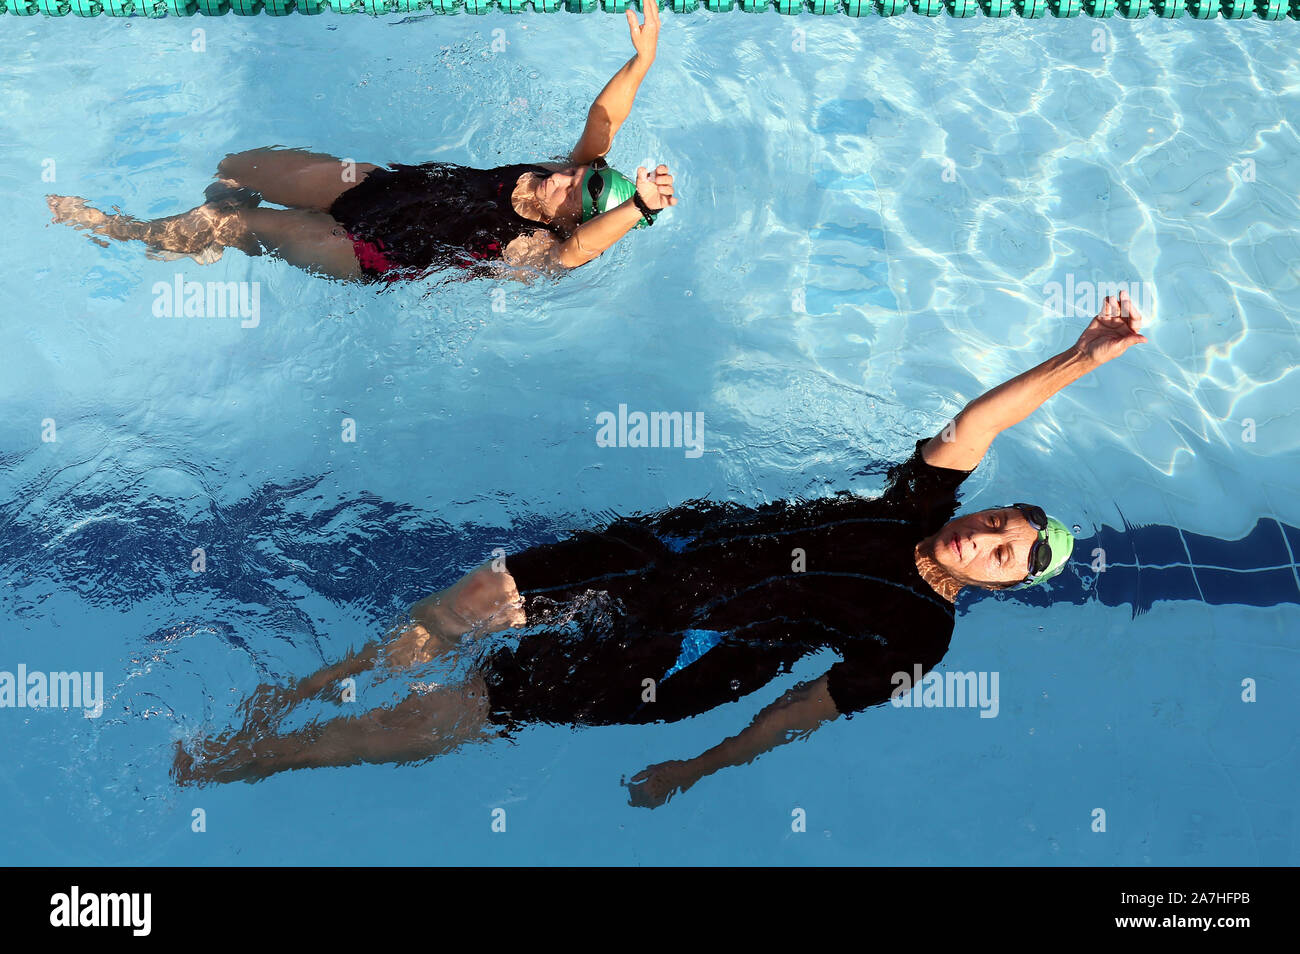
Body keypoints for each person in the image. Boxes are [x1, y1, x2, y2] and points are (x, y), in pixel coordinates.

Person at [171, 292, 1147, 805]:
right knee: (456, 606)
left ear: (1004, 583)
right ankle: (311, 685)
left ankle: (261, 759)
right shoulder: (910, 504)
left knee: (461, 707)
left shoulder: (919, 637)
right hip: (652, 554)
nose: (985, 536)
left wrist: (699, 766)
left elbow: (801, 706)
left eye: (1006, 553)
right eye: (998, 521)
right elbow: (976, 423)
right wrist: (1077, 358)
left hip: (670, 658)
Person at [46, 4, 674, 283]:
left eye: (579, 192)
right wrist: (640, 62)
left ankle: (124, 230)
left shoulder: (543, 248)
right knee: (236, 166)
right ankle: (227, 230)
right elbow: (602, 118)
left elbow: (585, 248)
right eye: (581, 174)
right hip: (373, 184)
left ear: (580, 221)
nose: (566, 180)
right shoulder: (561, 173)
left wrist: (638, 209)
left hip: (363, 248)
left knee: (221, 222)